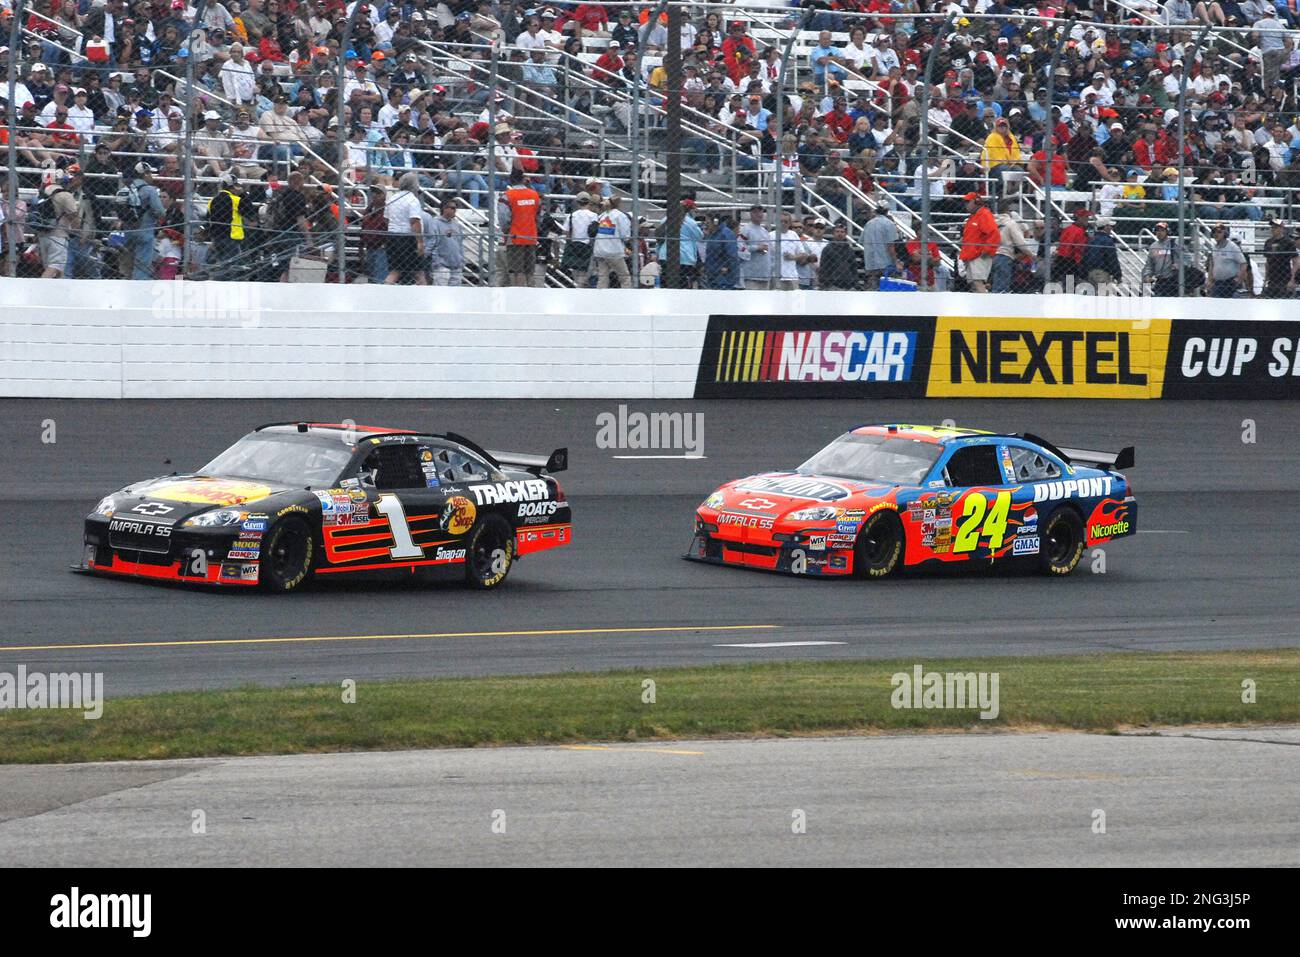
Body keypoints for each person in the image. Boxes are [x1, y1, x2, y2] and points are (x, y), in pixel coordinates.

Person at [37, 168, 82, 279]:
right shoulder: (65, 195)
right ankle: (38, 288)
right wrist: (77, 230)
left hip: (43, 234)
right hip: (59, 235)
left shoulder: (42, 194)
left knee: (54, 267)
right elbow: (73, 216)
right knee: (55, 266)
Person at [125, 163, 166, 281]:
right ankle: (139, 292)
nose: (152, 176)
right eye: (150, 173)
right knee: (142, 266)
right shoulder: (150, 190)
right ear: (145, 174)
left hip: (128, 231)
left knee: (129, 264)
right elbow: (160, 212)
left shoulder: (127, 188)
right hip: (145, 230)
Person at [384, 171, 427, 285]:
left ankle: (384, 292)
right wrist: (420, 242)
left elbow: (386, 219)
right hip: (407, 237)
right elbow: (414, 222)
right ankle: (424, 296)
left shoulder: (391, 199)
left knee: (395, 271)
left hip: (392, 236)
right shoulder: (412, 200)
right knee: (419, 273)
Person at [502, 168, 541, 287]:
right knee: (530, 270)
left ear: (511, 180)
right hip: (531, 236)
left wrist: (506, 230)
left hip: (515, 236)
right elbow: (539, 215)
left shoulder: (507, 195)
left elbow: (503, 217)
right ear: (523, 179)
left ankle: (518, 295)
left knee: (516, 270)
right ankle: (531, 291)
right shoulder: (534, 195)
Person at [207, 174, 249, 277]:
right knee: (230, 267)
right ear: (232, 187)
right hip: (232, 237)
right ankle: (224, 282)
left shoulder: (212, 201)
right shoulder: (236, 200)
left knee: (223, 263)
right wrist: (243, 194)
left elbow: (208, 218)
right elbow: (250, 212)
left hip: (217, 238)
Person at [992, 200, 1037, 294]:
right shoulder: (1011, 223)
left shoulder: (992, 222)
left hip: (992, 255)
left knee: (995, 284)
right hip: (1005, 255)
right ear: (1008, 211)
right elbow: (1020, 243)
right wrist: (1031, 254)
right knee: (1002, 287)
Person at [959, 192, 1000, 293]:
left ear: (977, 202)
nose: (965, 204)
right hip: (971, 256)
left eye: (968, 201)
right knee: (973, 284)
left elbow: (994, 234)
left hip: (978, 256)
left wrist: (987, 250)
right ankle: (978, 306)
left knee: (978, 283)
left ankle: (985, 306)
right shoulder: (974, 216)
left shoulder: (984, 214)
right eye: (964, 202)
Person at [592, 194, 632, 289]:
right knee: (624, 277)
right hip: (614, 250)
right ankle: (627, 296)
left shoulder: (602, 215)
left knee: (603, 277)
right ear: (618, 204)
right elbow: (625, 235)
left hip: (600, 249)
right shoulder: (620, 216)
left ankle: (600, 296)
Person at [562, 192, 598, 288]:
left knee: (576, 272)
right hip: (588, 246)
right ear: (589, 202)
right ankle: (581, 289)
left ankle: (579, 288)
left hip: (573, 246)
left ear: (577, 202)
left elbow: (566, 231)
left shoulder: (571, 215)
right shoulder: (593, 215)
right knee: (585, 272)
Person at [860, 206, 900, 290]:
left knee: (872, 289)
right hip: (885, 264)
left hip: (870, 264)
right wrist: (896, 262)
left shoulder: (868, 224)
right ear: (887, 211)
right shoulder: (889, 224)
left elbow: (861, 241)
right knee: (886, 289)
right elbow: (890, 246)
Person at [428, 199, 466, 286]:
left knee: (455, 294)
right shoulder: (435, 223)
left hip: (456, 266)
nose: (455, 210)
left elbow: (460, 244)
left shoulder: (456, 224)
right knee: (440, 292)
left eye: (455, 208)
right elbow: (432, 242)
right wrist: (436, 261)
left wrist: (461, 261)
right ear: (444, 209)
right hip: (441, 265)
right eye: (452, 208)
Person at [1206, 224, 1249, 298]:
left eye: (1219, 232)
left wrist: (1239, 278)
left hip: (1230, 282)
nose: (1216, 234)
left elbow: (1243, 263)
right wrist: (1210, 280)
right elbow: (1212, 264)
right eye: (1214, 232)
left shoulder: (1232, 246)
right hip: (1217, 282)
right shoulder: (1214, 247)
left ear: (1225, 233)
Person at [1081, 217, 1123, 294]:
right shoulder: (1107, 240)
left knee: (1091, 295)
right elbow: (1112, 259)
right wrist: (1118, 275)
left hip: (1089, 272)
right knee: (1103, 297)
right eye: (1110, 226)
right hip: (1102, 273)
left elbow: (1085, 256)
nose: (1111, 228)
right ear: (1106, 227)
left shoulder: (1091, 239)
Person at [1261, 219, 1299, 299]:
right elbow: (1267, 261)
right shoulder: (1268, 242)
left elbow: (1295, 261)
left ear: (1282, 228)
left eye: (1275, 227)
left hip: (1285, 276)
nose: (1273, 229)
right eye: (1272, 227)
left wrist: (1292, 279)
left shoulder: (1288, 242)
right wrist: (1266, 279)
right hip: (1272, 277)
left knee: (1284, 299)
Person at [737, 205, 771, 289]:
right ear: (750, 214)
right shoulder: (746, 229)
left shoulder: (764, 231)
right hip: (750, 276)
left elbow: (767, 249)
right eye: (755, 212)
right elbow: (739, 247)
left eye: (760, 212)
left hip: (765, 275)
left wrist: (763, 250)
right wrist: (757, 248)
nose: (758, 214)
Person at [702, 215, 739, 289]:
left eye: (708, 222)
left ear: (715, 222)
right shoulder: (712, 234)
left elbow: (732, 253)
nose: (706, 224)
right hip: (713, 273)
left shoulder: (726, 233)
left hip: (724, 276)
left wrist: (727, 267)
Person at [818, 222, 858, 290]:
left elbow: (853, 268)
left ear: (845, 234)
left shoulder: (850, 250)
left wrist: (854, 283)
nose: (840, 233)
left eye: (842, 232)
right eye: (837, 231)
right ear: (833, 233)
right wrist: (826, 283)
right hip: (832, 285)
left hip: (848, 285)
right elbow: (823, 267)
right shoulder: (827, 249)